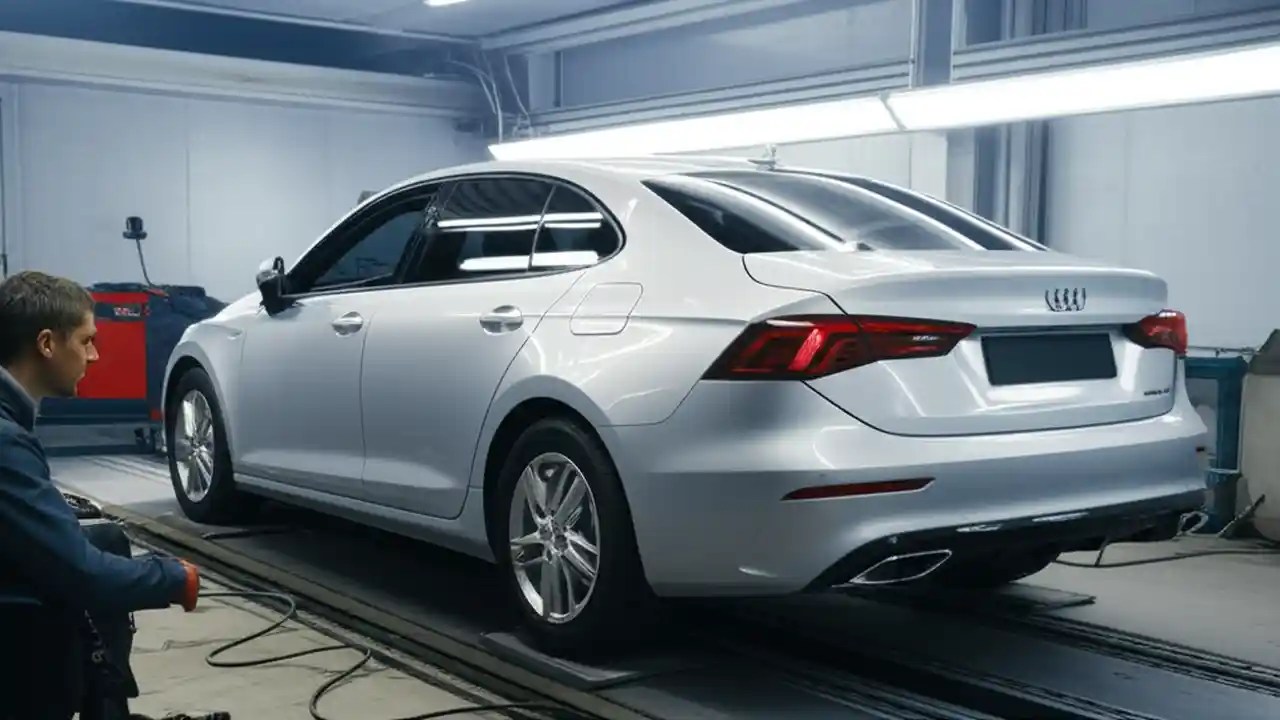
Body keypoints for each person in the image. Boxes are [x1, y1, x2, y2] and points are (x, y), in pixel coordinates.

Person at [0, 271, 207, 720]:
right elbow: (81, 574)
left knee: (107, 541)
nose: (94, 356)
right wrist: (174, 577)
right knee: (83, 583)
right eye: (86, 340)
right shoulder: (4, 441)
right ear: (47, 345)